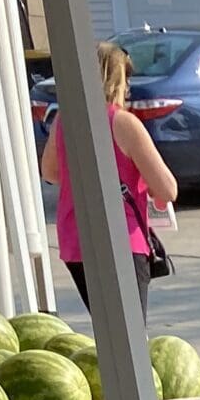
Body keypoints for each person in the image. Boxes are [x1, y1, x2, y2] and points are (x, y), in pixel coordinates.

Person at [39, 39, 176, 318]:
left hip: (76, 241)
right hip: (122, 241)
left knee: (108, 327)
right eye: (126, 79)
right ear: (115, 80)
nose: (128, 89)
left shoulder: (64, 121)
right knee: (132, 334)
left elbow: (51, 173)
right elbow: (167, 188)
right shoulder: (123, 123)